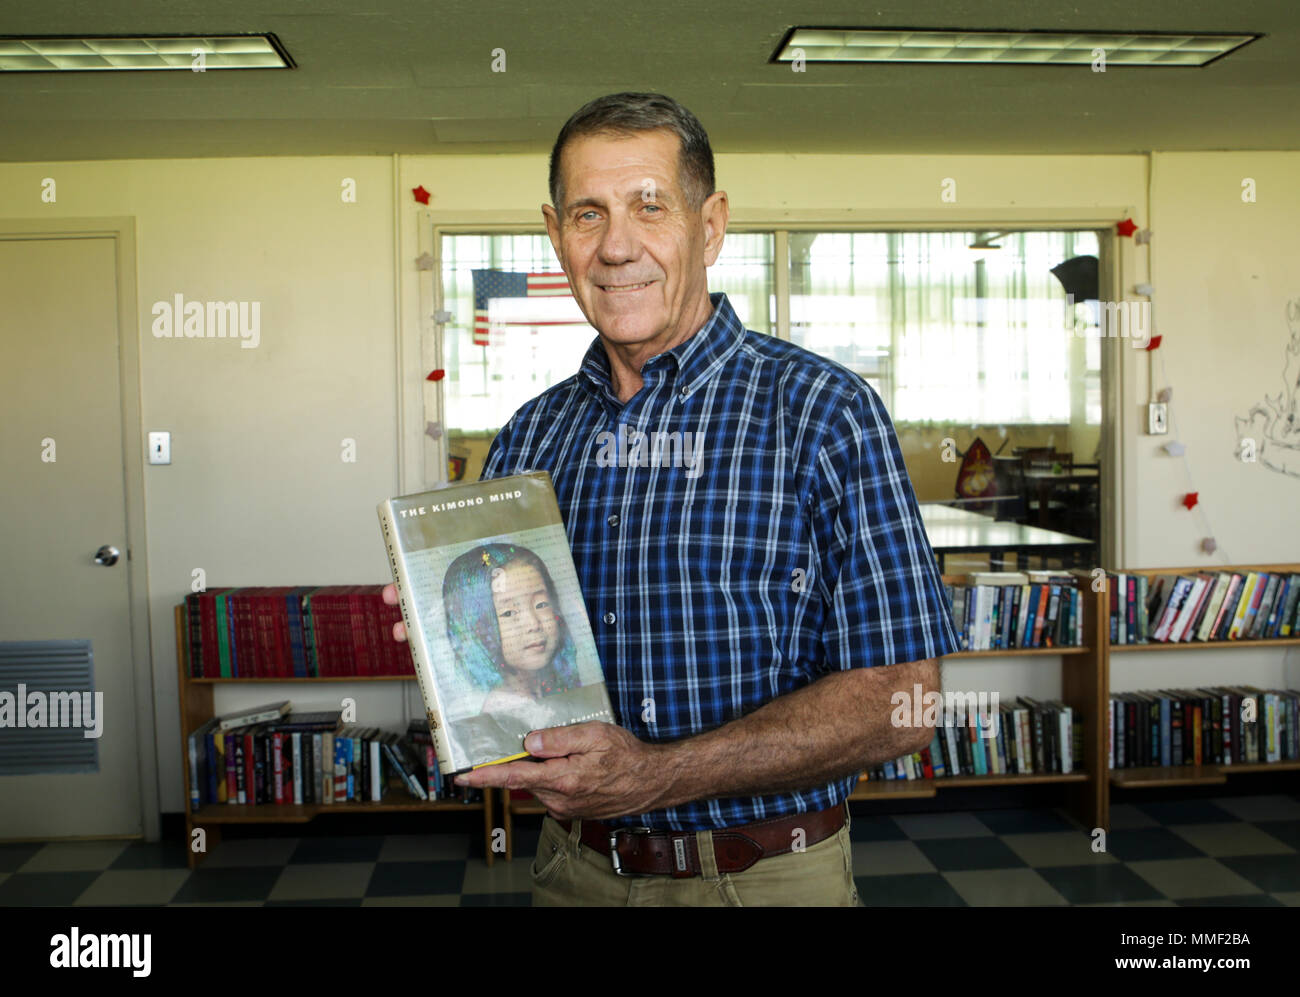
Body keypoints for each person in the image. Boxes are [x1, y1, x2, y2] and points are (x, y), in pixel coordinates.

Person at [385, 91, 959, 906]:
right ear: (557, 234)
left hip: (758, 881)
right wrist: (453, 639)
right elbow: (514, 677)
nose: (617, 246)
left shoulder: (825, 414)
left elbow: (905, 704)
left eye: (649, 207)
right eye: (589, 214)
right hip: (569, 872)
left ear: (711, 224)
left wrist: (655, 776)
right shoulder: (528, 436)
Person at [442, 542, 581, 753]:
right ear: (475, 628)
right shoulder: (496, 719)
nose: (533, 624)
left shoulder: (553, 693)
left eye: (541, 604)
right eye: (508, 613)